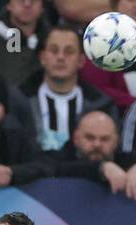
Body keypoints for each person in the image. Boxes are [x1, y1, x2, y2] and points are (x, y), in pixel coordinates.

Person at [17, 23, 116, 152]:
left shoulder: (101, 104)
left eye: (69, 52)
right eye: (54, 50)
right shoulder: (19, 100)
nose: (60, 57)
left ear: (81, 61)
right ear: (42, 57)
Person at [44, 110, 136, 197]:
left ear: (116, 141)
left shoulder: (126, 161)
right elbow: (52, 168)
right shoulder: (56, 158)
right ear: (76, 138)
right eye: (90, 138)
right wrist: (101, 168)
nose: (97, 144)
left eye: (105, 139)